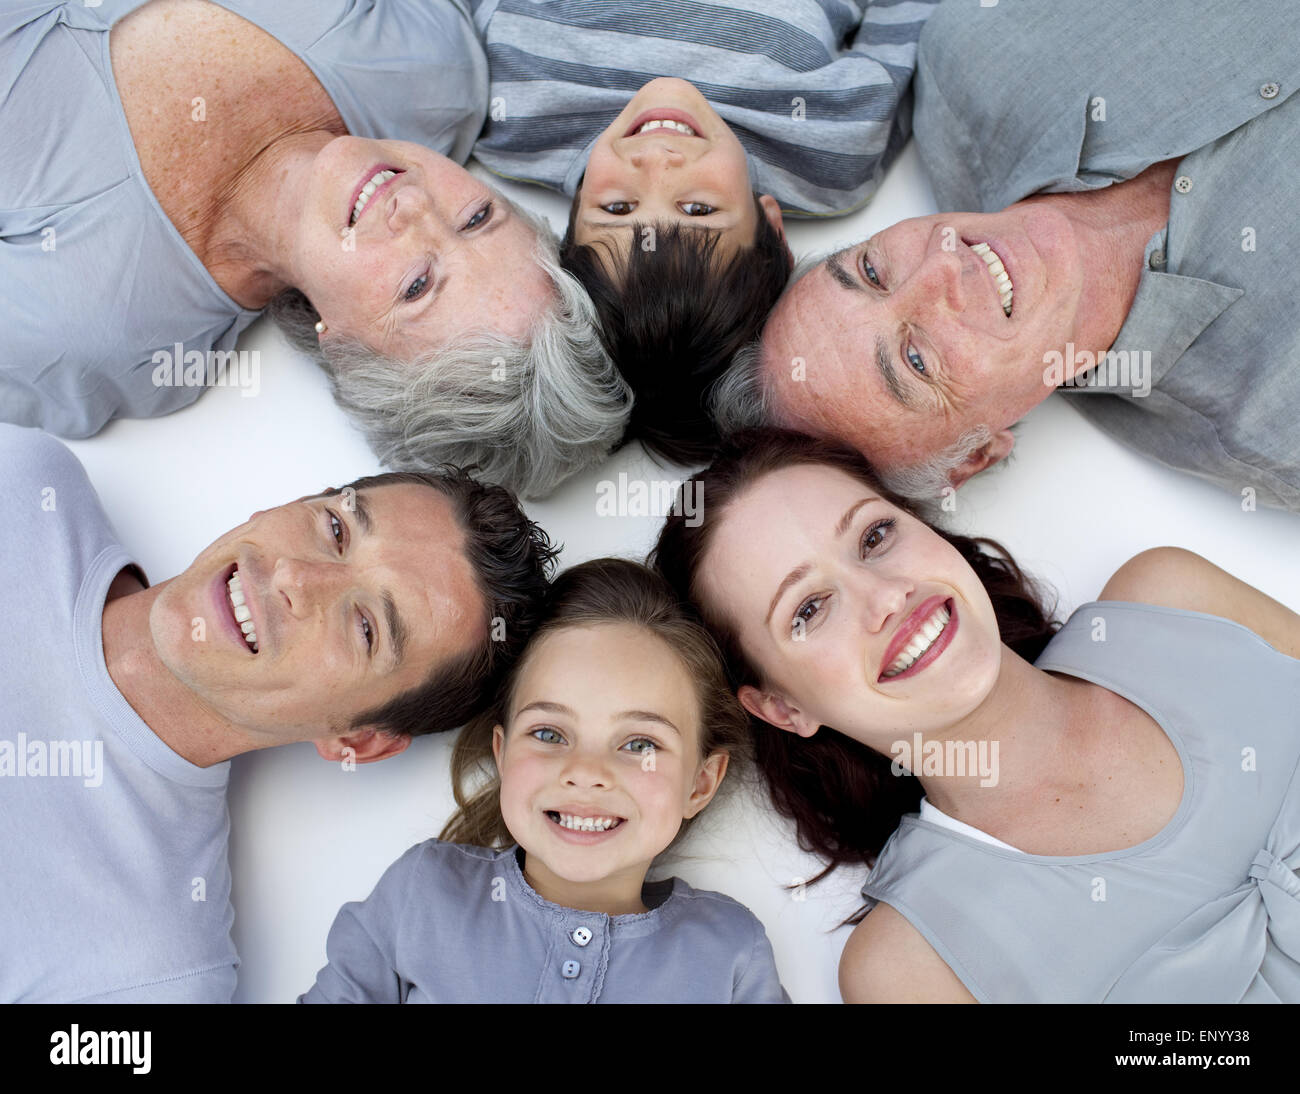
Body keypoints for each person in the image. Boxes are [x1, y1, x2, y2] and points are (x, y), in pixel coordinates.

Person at [651, 428, 1300, 1003]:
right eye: (809, 609)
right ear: (783, 708)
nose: (886, 598)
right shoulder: (911, 965)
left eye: (876, 536)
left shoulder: (1171, 601)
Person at [0, 422, 557, 1002]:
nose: (294, 577)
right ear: (292, 504)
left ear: (360, 741)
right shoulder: (24, 480)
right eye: (336, 528)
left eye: (366, 627)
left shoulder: (147, 977)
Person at [0, 0, 626, 498]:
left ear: (345, 349)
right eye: (477, 215)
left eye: (416, 285)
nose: (417, 208)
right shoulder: (429, 74)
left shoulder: (90, 327)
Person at [721, 0, 1300, 511]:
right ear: (975, 456)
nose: (941, 266)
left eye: (872, 272)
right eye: (917, 361)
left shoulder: (977, 50)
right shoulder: (1279, 422)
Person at [300, 558, 789, 1003]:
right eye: (550, 733)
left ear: (700, 784)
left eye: (640, 744)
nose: (586, 773)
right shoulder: (424, 893)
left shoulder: (729, 953)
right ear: (504, 754)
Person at [469, 0, 936, 463]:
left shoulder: (513, 113)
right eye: (697, 209)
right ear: (771, 224)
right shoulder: (833, 145)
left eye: (616, 207)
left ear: (571, 217)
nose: (656, 162)